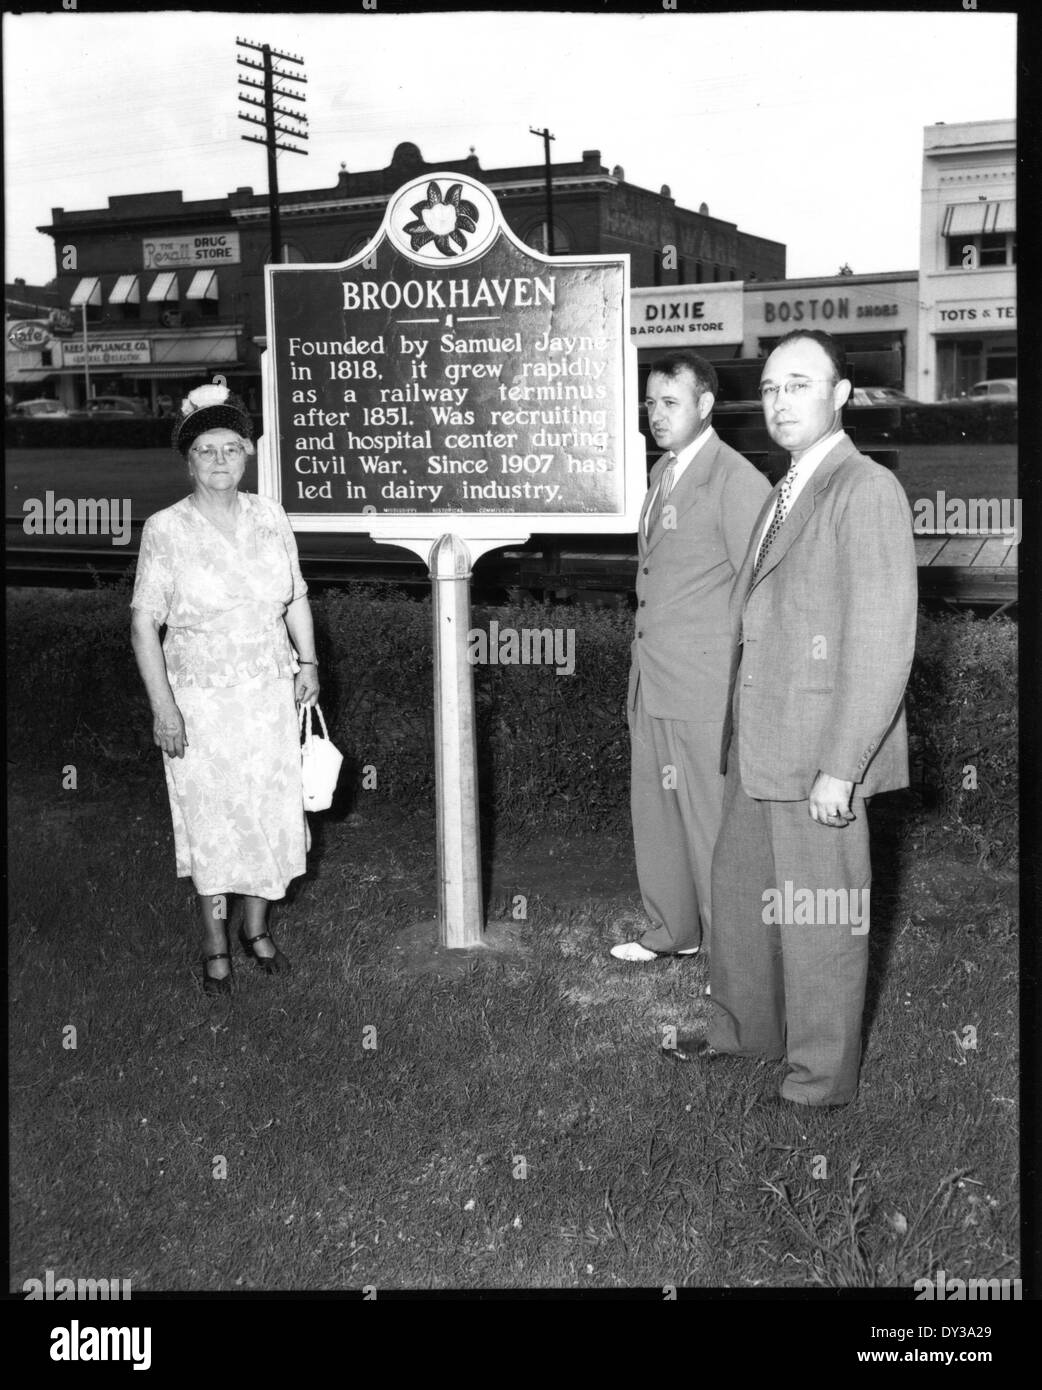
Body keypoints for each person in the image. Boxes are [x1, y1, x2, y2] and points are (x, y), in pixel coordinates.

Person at [672, 329, 917, 1106]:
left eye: (799, 385)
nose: (780, 401)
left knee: (820, 924)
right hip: (758, 748)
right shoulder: (786, 489)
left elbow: (882, 643)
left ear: (840, 394)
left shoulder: (863, 488)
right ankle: (745, 1034)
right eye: (772, 388)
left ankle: (817, 1082)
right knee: (743, 903)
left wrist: (842, 766)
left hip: (817, 758)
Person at [130, 383, 320, 995]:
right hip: (201, 705)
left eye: (231, 448)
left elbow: (295, 597)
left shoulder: (271, 517)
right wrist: (165, 709)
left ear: (247, 456)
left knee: (268, 812)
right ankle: (215, 943)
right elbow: (142, 624)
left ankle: (256, 930)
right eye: (207, 450)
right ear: (189, 462)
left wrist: (308, 663)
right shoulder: (166, 529)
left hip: (269, 696)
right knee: (213, 822)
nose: (219, 460)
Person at [612, 350, 770, 963]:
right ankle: (672, 932)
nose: (656, 414)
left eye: (669, 402)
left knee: (711, 829)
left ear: (705, 405)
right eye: (650, 402)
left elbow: (760, 586)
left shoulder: (735, 479)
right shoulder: (664, 472)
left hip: (703, 688)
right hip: (651, 681)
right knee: (656, 812)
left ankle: (734, 961)